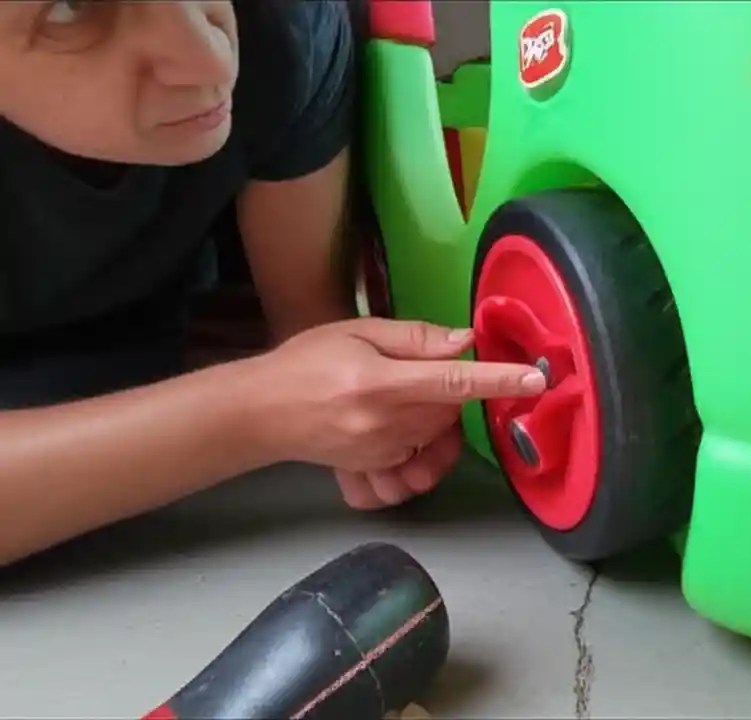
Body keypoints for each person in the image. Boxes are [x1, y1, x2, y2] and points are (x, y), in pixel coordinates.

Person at [0, 0, 545, 566]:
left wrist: (367, 420)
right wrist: (258, 411)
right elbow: (287, 389)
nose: (210, 61)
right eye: (70, 12)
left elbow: (310, 335)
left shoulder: (275, 24)